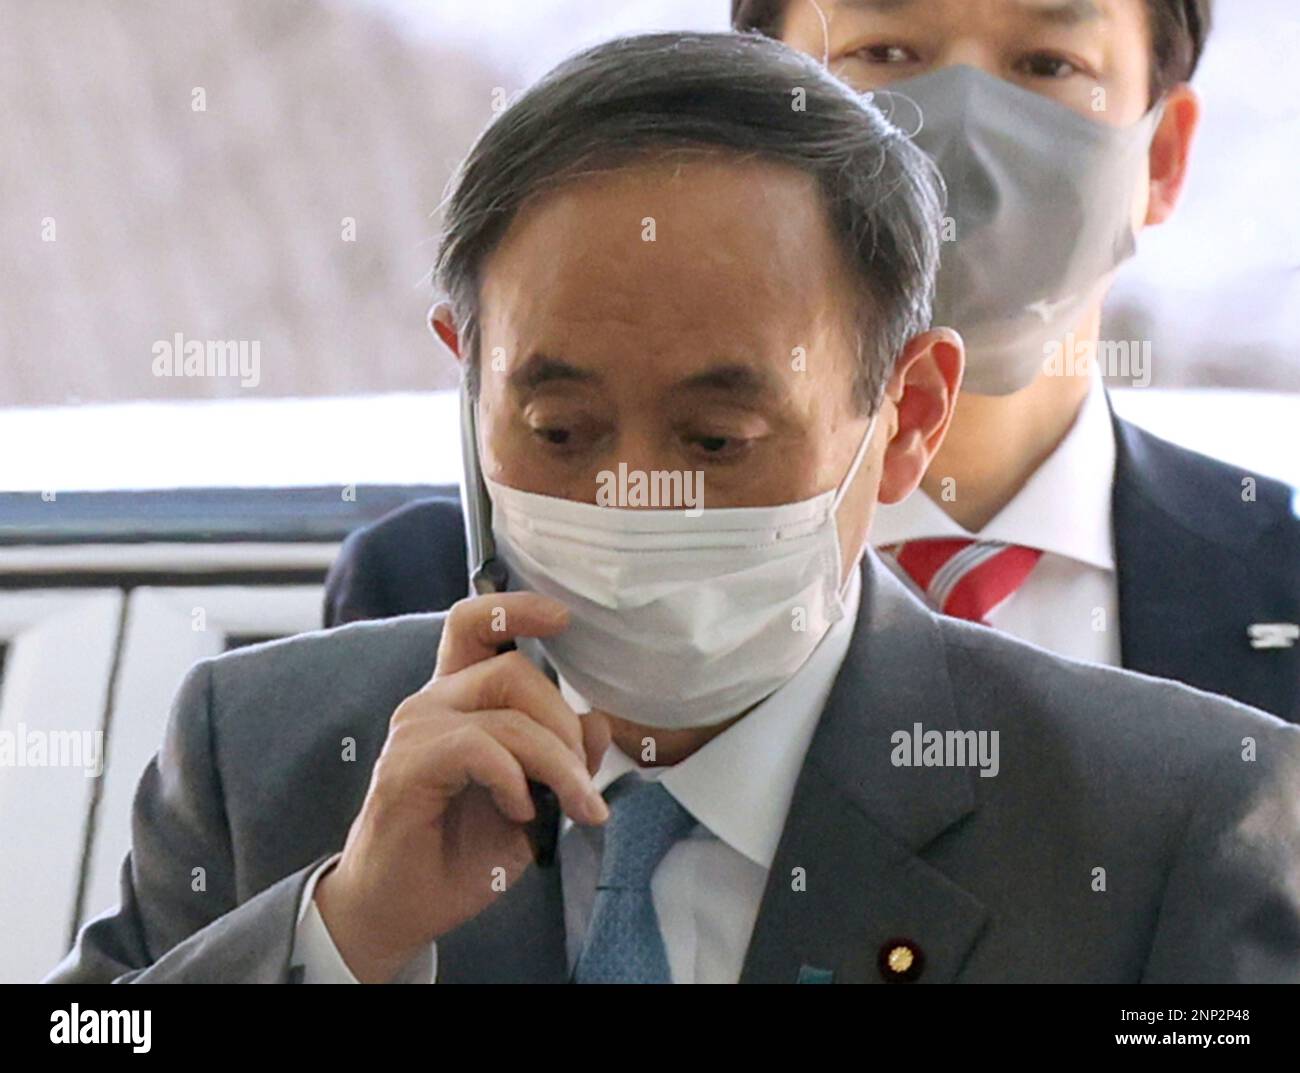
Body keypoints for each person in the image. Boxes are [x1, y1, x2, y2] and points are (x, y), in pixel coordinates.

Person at [48, 32, 1300, 985]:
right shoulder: (266, 752)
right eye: (560, 431)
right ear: (466, 375)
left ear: (908, 415)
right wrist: (336, 934)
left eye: (717, 438)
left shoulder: (1162, 821)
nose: (631, 495)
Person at [325, 0, 1299, 723]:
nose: (956, 128)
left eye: (1046, 63)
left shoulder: (1279, 591)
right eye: (881, 53)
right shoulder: (435, 588)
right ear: (754, 103)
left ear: (1163, 156)